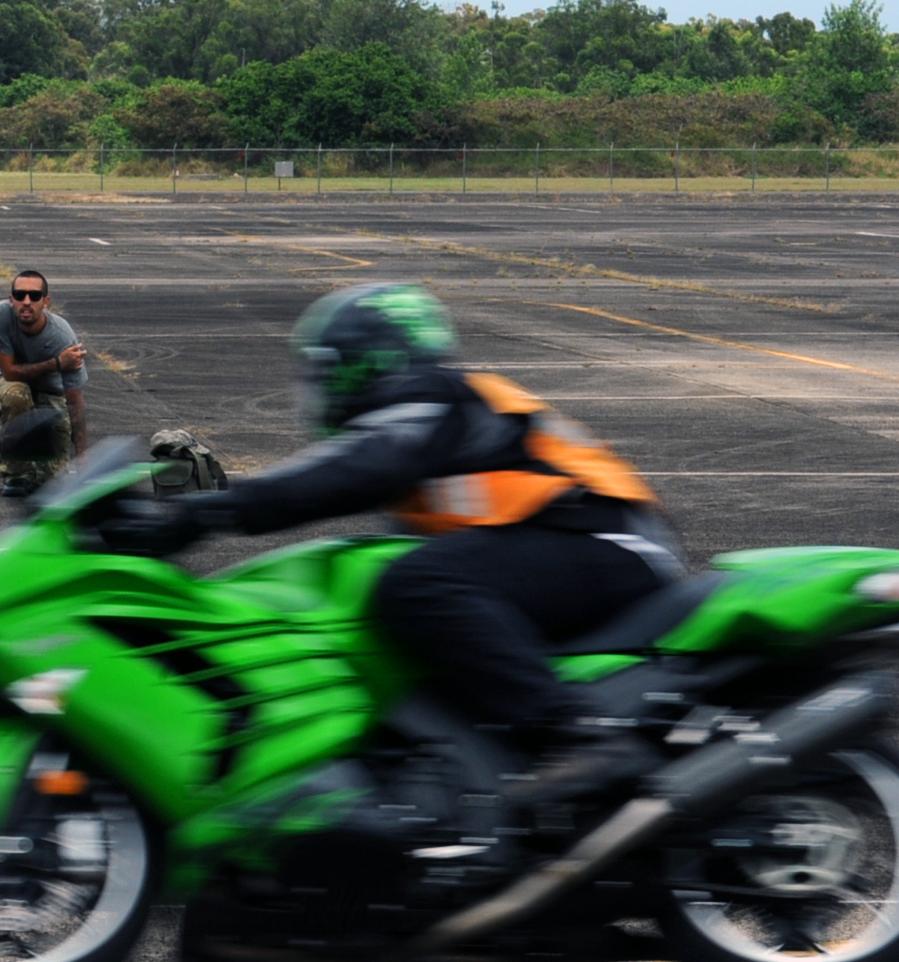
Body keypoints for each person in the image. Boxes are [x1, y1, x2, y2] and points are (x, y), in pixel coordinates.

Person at [104, 284, 682, 801]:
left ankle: (582, 735)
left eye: (330, 368)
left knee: (420, 583)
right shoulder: (439, 407)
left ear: (370, 358)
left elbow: (355, 470)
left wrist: (207, 512)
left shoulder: (432, 394)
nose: (322, 385)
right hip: (575, 543)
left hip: (603, 541)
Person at [0, 270, 89, 498]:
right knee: (17, 393)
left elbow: (75, 400)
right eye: (19, 295)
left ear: (46, 301)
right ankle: (15, 475)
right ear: (11, 299)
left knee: (52, 484)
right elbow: (9, 372)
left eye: (34, 296)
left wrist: (82, 455)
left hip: (51, 395)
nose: (26, 301)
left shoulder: (63, 337)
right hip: (9, 382)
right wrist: (56, 363)